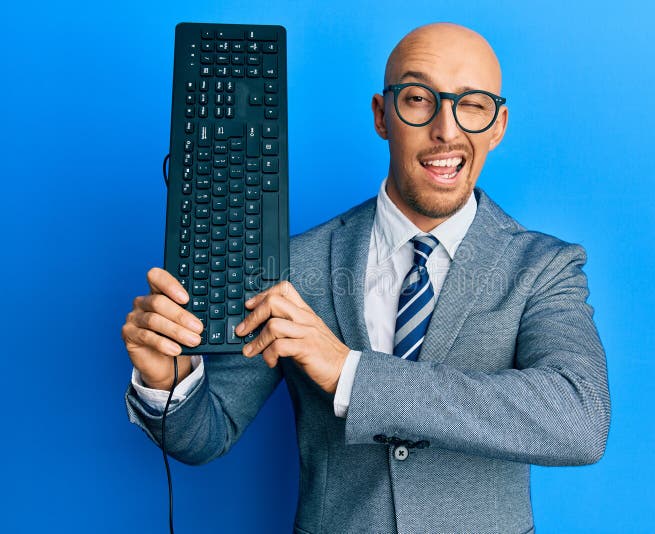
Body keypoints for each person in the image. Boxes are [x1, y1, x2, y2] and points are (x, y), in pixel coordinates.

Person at [123, 22, 611, 533]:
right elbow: (207, 433)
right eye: (419, 99)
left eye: (472, 104)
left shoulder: (543, 267)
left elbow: (579, 418)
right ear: (382, 115)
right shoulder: (294, 266)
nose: (447, 130)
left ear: (498, 125)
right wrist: (168, 382)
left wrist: (349, 373)